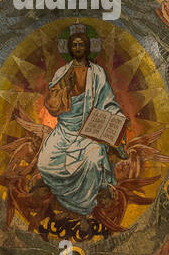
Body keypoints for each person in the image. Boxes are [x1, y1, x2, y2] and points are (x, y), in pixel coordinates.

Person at [36, 26, 125, 216]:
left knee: (93, 160)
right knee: (44, 163)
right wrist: (63, 90)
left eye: (81, 44)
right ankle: (63, 198)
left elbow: (107, 101)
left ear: (87, 48)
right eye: (74, 45)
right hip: (64, 130)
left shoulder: (97, 73)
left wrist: (116, 119)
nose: (78, 48)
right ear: (69, 48)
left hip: (89, 130)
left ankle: (85, 207)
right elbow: (52, 107)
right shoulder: (61, 73)